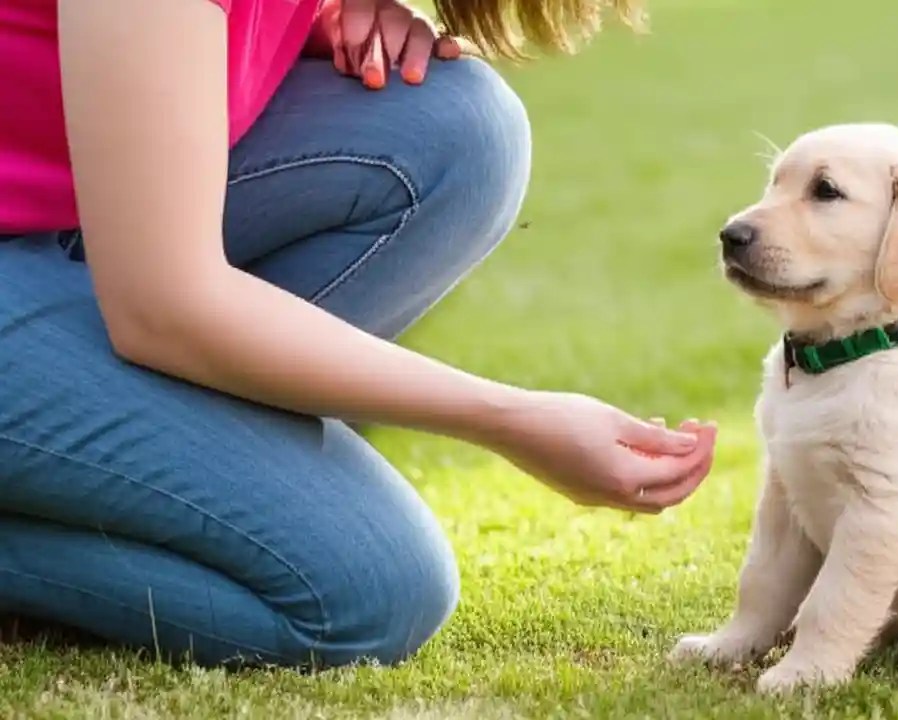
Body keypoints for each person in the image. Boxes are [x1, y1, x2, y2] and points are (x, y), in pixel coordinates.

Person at [0, 0, 717, 669]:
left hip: (73, 230)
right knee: (372, 587)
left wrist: (309, 19)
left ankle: (122, 447)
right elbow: (166, 306)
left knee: (458, 131)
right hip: (91, 274)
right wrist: (513, 418)